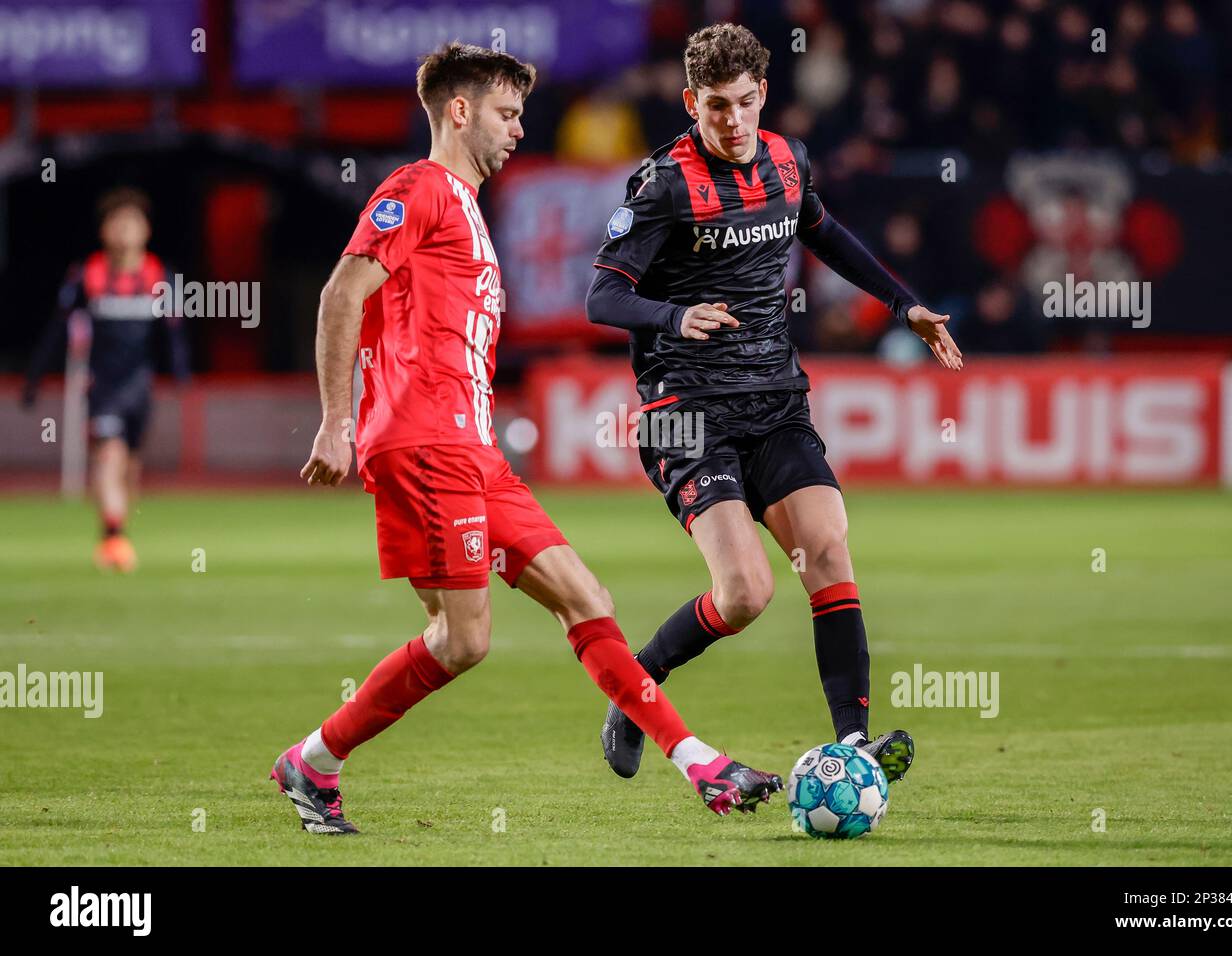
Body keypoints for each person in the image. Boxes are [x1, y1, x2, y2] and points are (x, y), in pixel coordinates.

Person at [273, 42, 782, 835]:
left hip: (474, 452)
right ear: (460, 111)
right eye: (508, 115)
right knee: (462, 640)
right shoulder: (419, 190)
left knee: (586, 598)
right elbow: (342, 293)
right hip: (424, 444)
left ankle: (702, 767)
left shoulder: (466, 207)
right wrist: (336, 421)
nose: (518, 130)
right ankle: (313, 762)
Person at [586, 23, 963, 783]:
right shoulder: (662, 184)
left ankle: (853, 745)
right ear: (692, 102)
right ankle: (633, 692)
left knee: (827, 548)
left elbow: (821, 231)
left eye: (746, 103)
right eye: (716, 106)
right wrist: (672, 316)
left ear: (765, 96)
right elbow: (602, 296)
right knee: (747, 592)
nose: (732, 121)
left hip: (775, 400)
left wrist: (904, 306)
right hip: (686, 409)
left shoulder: (788, 162)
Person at [22, 188, 188, 572]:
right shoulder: (88, 276)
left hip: (140, 389)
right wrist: (34, 380)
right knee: (108, 457)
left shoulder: (160, 276)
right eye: (119, 222)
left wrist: (181, 376)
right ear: (105, 231)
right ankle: (114, 538)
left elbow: (175, 332)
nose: (126, 230)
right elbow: (56, 330)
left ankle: (115, 531)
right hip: (102, 387)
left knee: (129, 468)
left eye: (134, 222)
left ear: (146, 230)